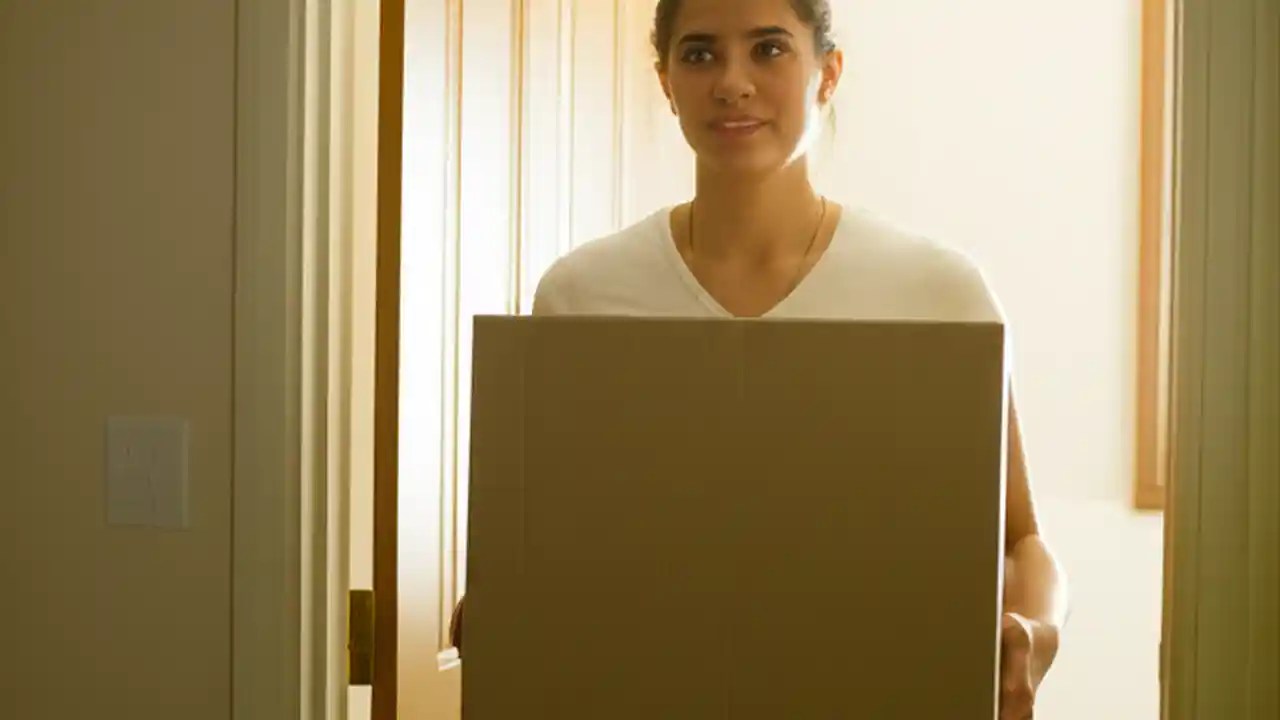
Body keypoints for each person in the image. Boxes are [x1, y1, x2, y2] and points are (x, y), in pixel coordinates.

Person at [457, 0, 1068, 717]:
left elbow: (1020, 539)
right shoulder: (580, 293)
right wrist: (499, 607)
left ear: (827, 72)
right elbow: (554, 548)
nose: (732, 83)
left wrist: (1036, 631)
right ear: (666, 82)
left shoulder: (938, 291)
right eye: (700, 54)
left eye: (769, 49)